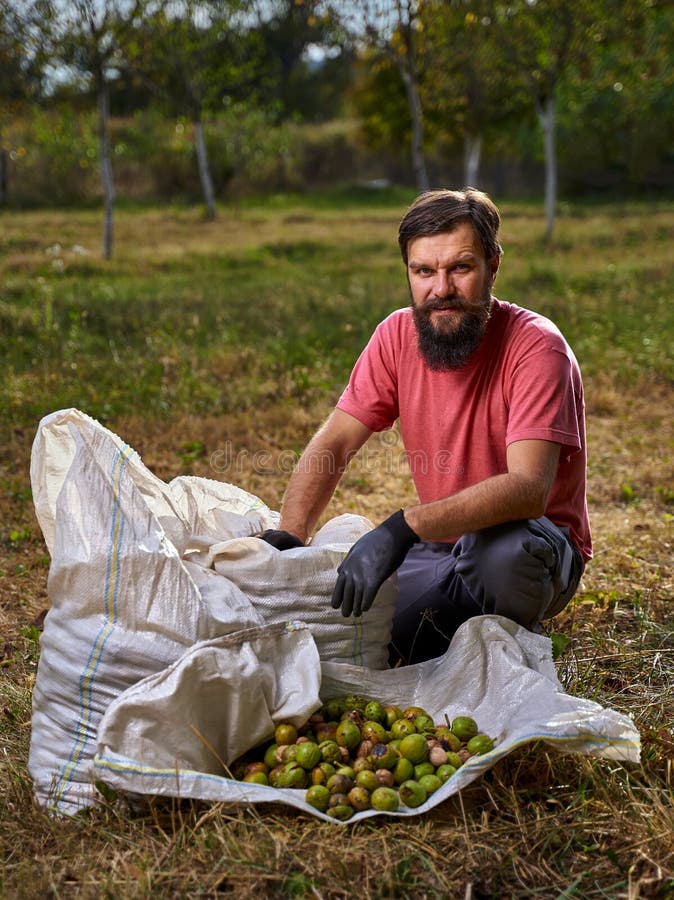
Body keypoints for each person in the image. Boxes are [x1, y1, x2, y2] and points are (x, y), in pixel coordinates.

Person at [260, 188, 591, 666]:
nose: (441, 290)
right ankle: (446, 619)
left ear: (493, 266)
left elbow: (528, 490)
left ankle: (492, 635)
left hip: (531, 546)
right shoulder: (395, 335)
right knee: (348, 628)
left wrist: (403, 527)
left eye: (460, 268)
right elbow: (335, 440)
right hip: (440, 545)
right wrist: (291, 534)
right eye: (423, 272)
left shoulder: (538, 348)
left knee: (498, 560)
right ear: (408, 273)